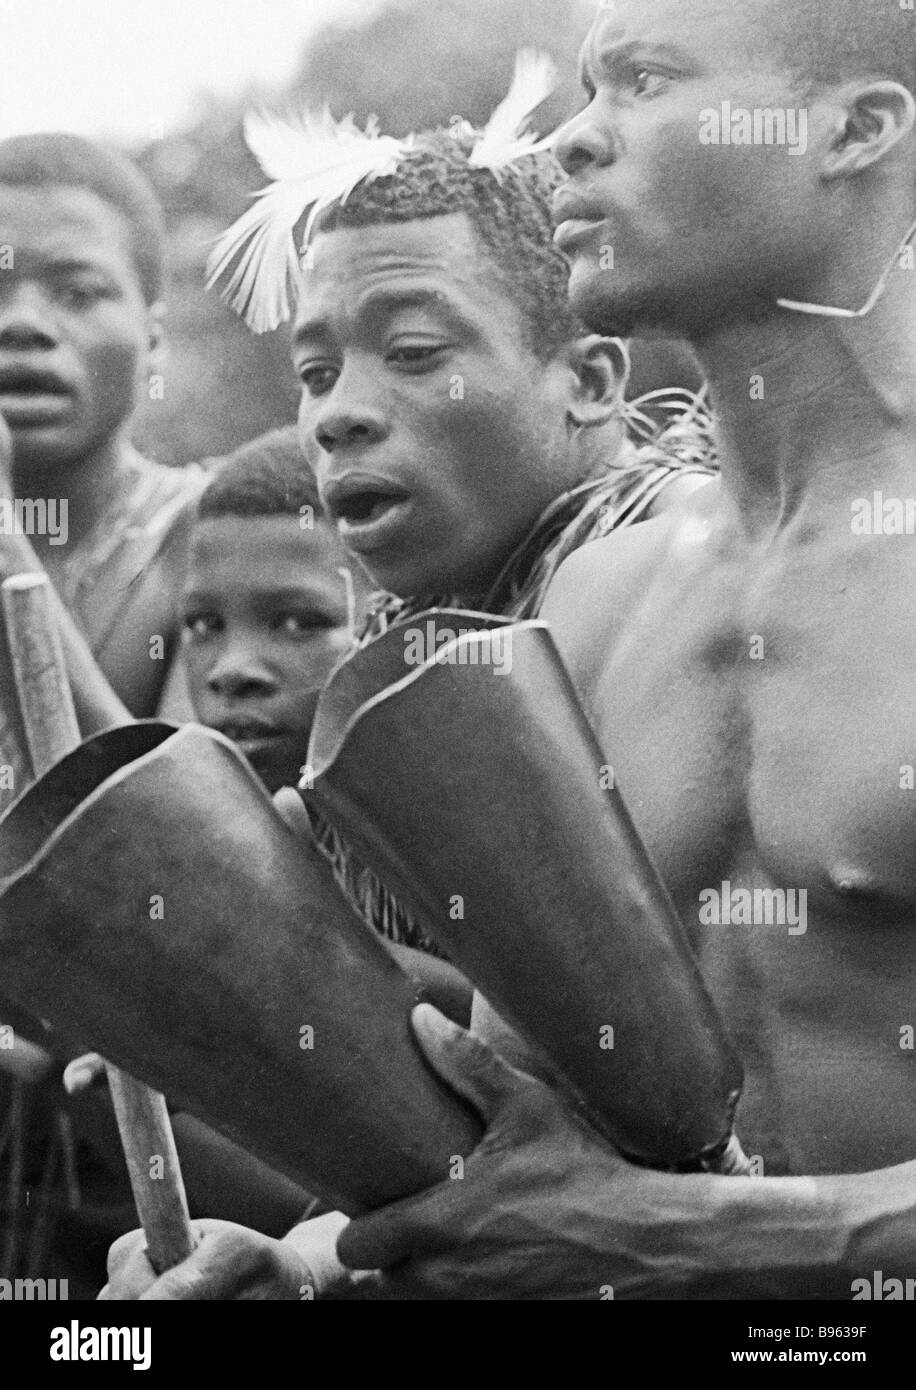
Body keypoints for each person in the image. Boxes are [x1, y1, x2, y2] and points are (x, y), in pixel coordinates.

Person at [102, 0, 916, 1300]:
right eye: (587, 88)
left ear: (855, 130)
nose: (576, 141)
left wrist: (692, 1239)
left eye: (644, 81)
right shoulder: (600, 602)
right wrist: (309, 1263)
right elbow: (526, 1138)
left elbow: (622, 1222)